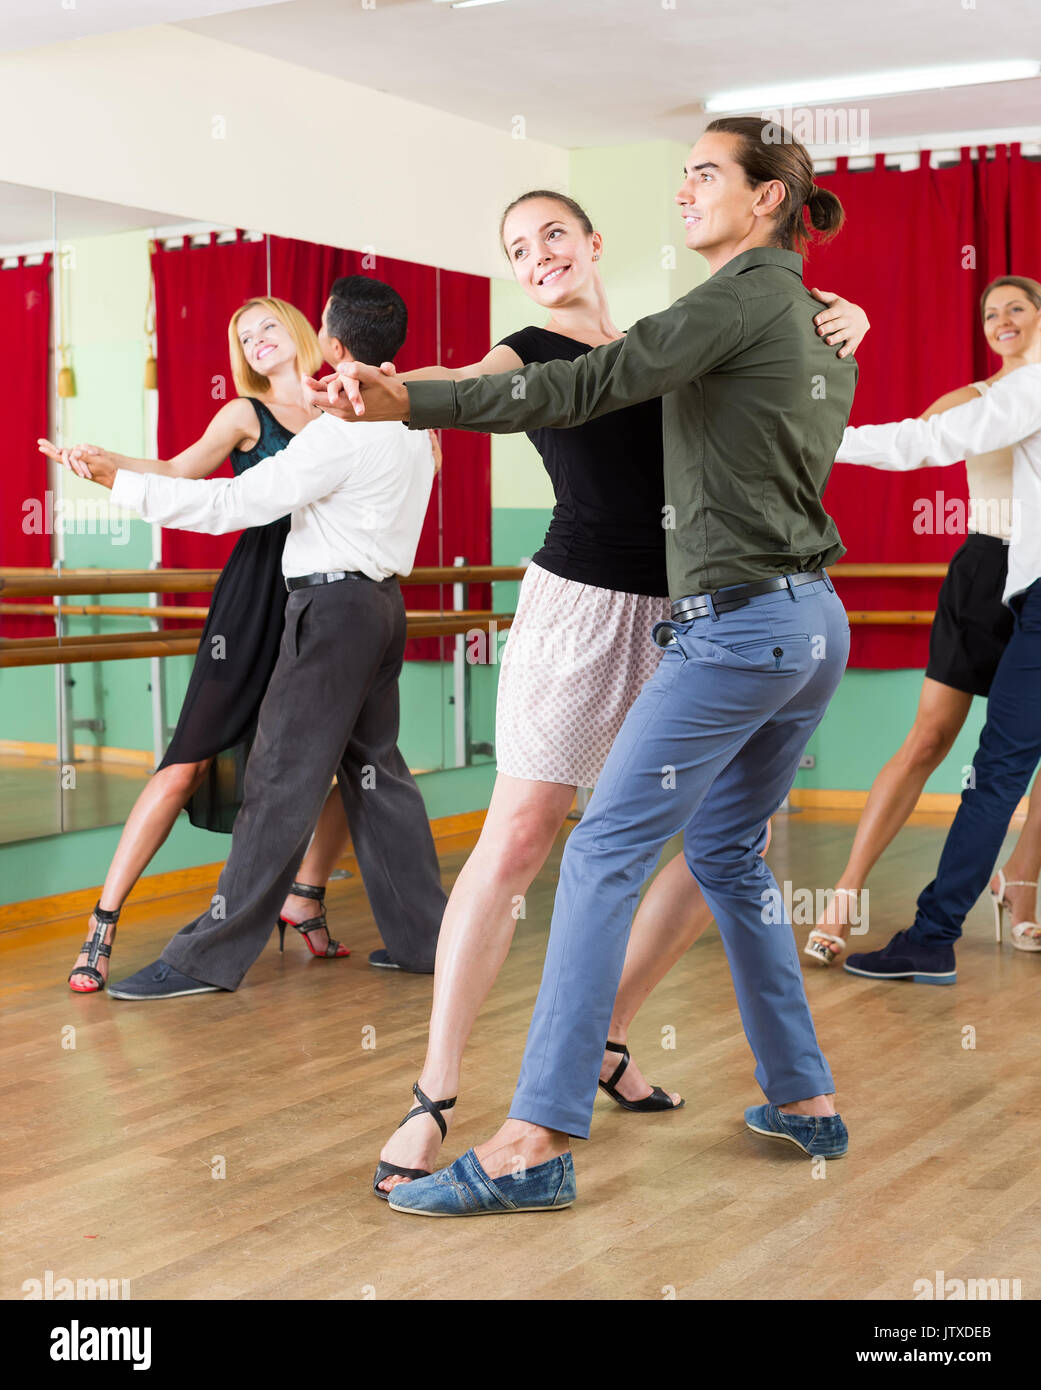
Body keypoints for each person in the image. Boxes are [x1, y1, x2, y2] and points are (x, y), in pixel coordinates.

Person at [317, 115, 858, 1216]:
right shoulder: (598, 336)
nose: (539, 256)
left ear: (594, 239)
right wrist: (405, 390)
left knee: (611, 848)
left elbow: (684, 379)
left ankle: (542, 1134)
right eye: (517, 247)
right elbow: (521, 387)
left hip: (708, 622)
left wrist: (841, 307)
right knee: (700, 852)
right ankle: (794, 1100)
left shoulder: (700, 320)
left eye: (554, 232)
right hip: (765, 622)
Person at [56, 276, 446, 998]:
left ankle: (203, 958)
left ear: (328, 342)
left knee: (277, 781)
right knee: (377, 776)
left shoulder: (338, 431)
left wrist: (121, 483)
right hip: (383, 608)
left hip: (331, 614)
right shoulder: (412, 424)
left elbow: (233, 502)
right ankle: (426, 941)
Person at [806, 275, 1041, 965]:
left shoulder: (1029, 389)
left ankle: (1017, 892)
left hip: (1030, 578)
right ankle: (846, 895)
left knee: (1016, 759)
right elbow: (925, 439)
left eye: (1016, 309)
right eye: (989, 312)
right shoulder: (982, 399)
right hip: (986, 573)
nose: (1000, 320)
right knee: (932, 739)